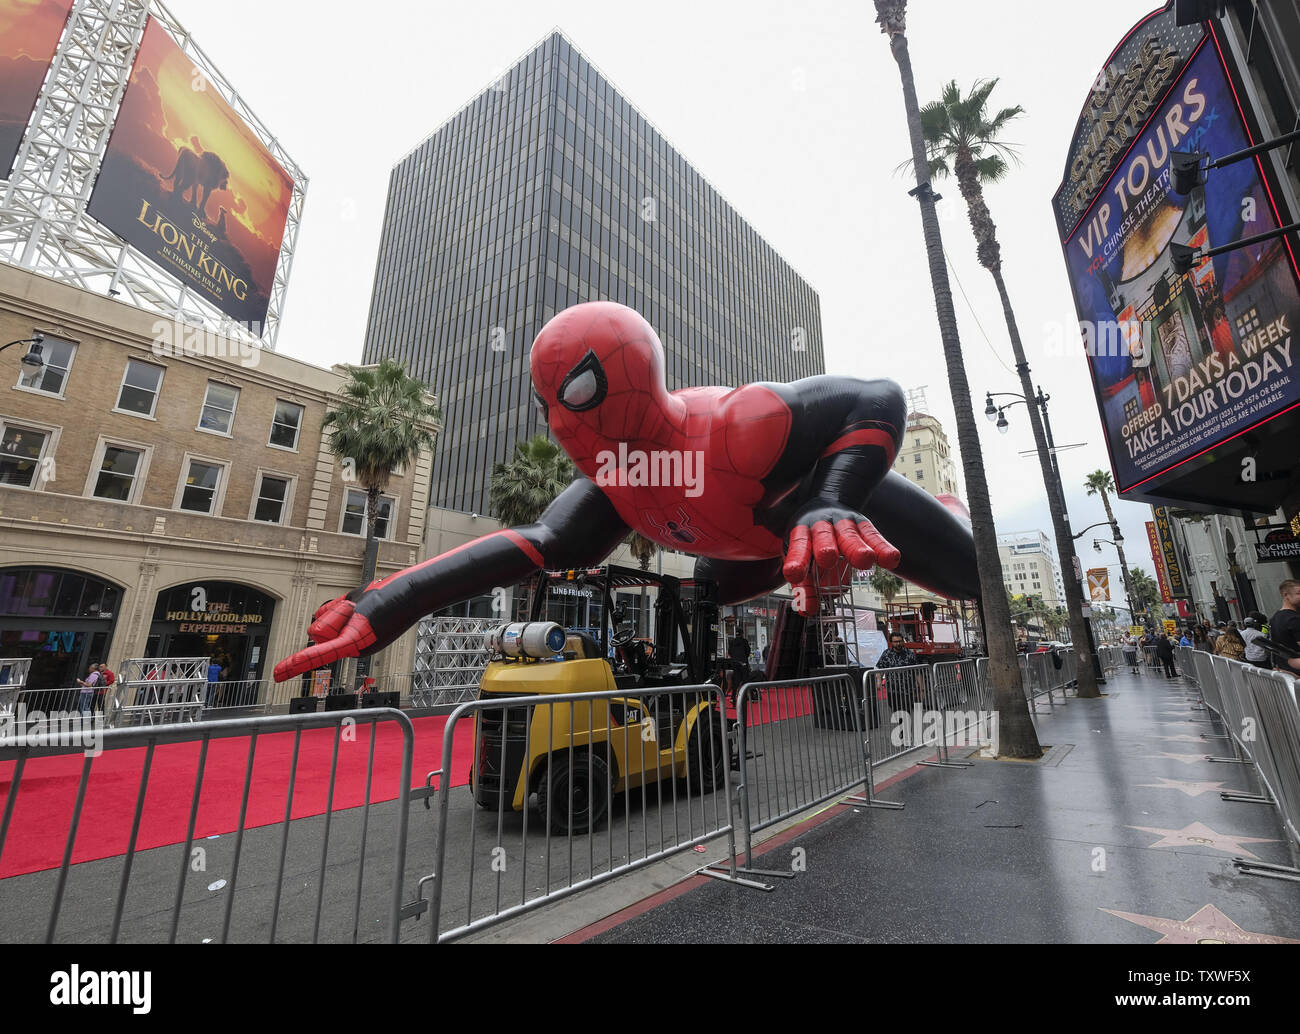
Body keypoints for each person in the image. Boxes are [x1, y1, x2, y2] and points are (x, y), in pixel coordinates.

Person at [1267, 579, 1300, 675]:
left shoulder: (1275, 618)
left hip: (1286, 673)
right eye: (1299, 593)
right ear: (1286, 595)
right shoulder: (1294, 619)